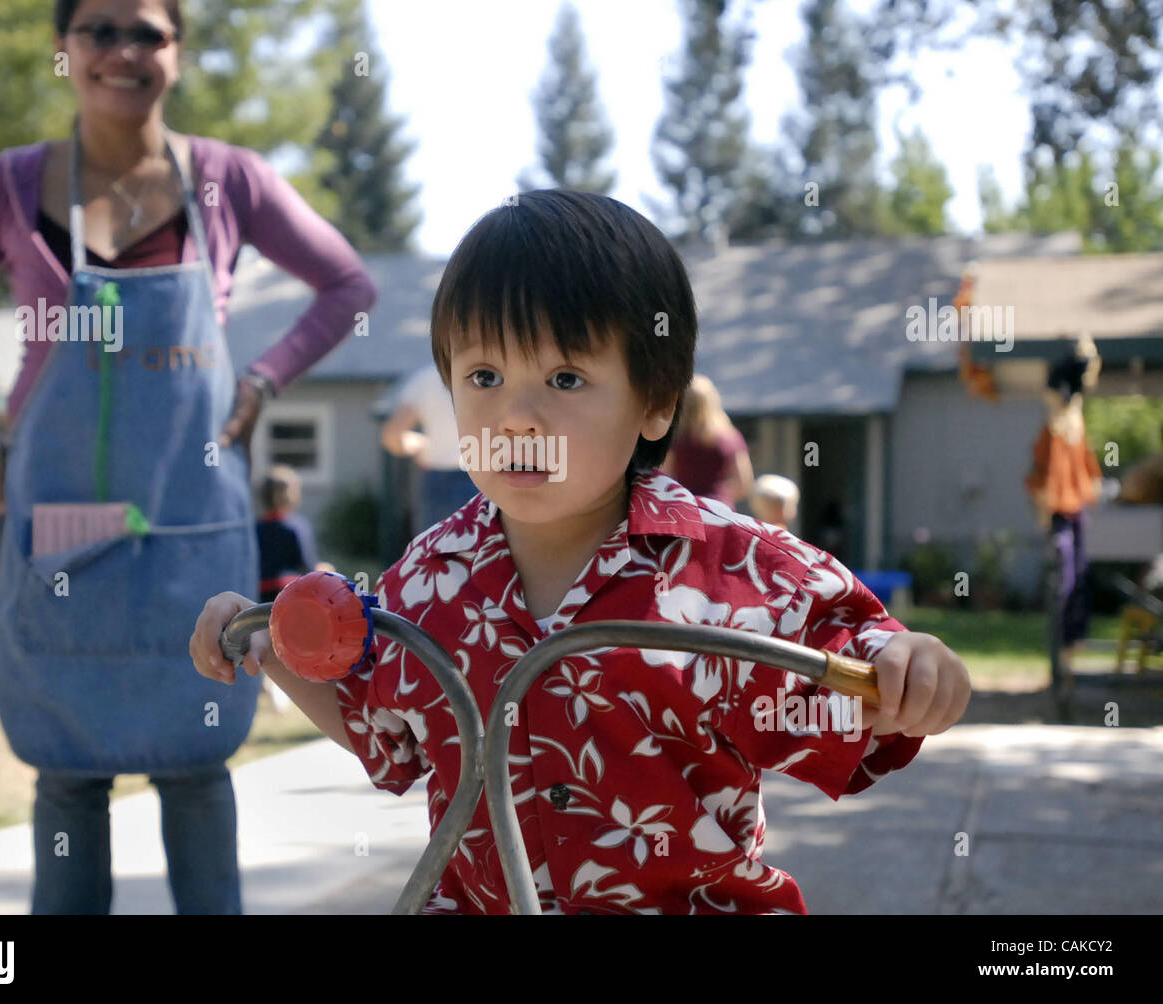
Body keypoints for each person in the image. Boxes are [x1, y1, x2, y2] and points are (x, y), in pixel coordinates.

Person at [190, 190, 971, 915]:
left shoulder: (733, 568)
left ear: (657, 403)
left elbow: (855, 665)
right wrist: (273, 643)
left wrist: (913, 665)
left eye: (565, 377)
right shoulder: (429, 579)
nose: (519, 417)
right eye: (484, 376)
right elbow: (378, 730)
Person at [0, 0, 376, 914]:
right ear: (63, 51)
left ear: (179, 53)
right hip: (59, 525)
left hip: (192, 528)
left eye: (148, 31)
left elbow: (349, 285)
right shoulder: (3, 186)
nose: (124, 51)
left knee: (197, 764)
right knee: (68, 771)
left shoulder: (231, 180)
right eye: (100, 30)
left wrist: (265, 380)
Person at [1024, 338, 1104, 673]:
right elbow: (1039, 478)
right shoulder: (1055, 430)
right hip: (1059, 512)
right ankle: (1067, 644)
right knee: (1066, 576)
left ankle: (1073, 640)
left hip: (1072, 509)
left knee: (1077, 575)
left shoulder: (1071, 425)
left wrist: (1088, 350)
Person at [381, 363, 476, 536]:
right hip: (482, 477)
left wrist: (421, 445)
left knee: (434, 552)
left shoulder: (424, 380)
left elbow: (392, 436)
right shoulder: (486, 376)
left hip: (438, 481)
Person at [664, 373, 753, 509]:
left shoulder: (674, 438)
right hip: (720, 510)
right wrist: (720, 494)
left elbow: (665, 479)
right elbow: (743, 484)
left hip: (685, 509)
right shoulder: (729, 437)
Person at [256, 465, 334, 604]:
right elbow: (309, 566)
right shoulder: (297, 527)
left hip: (260, 593)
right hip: (291, 593)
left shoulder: (255, 528)